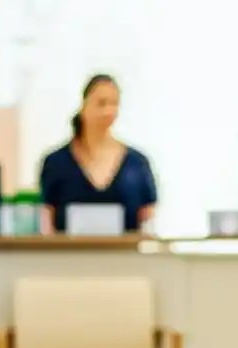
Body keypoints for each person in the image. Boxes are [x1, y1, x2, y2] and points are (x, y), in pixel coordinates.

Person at [38, 74, 158, 234]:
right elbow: (46, 222)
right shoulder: (56, 163)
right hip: (69, 256)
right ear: (84, 106)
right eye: (101, 103)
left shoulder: (137, 163)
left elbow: (148, 222)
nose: (108, 111)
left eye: (114, 104)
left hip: (126, 257)